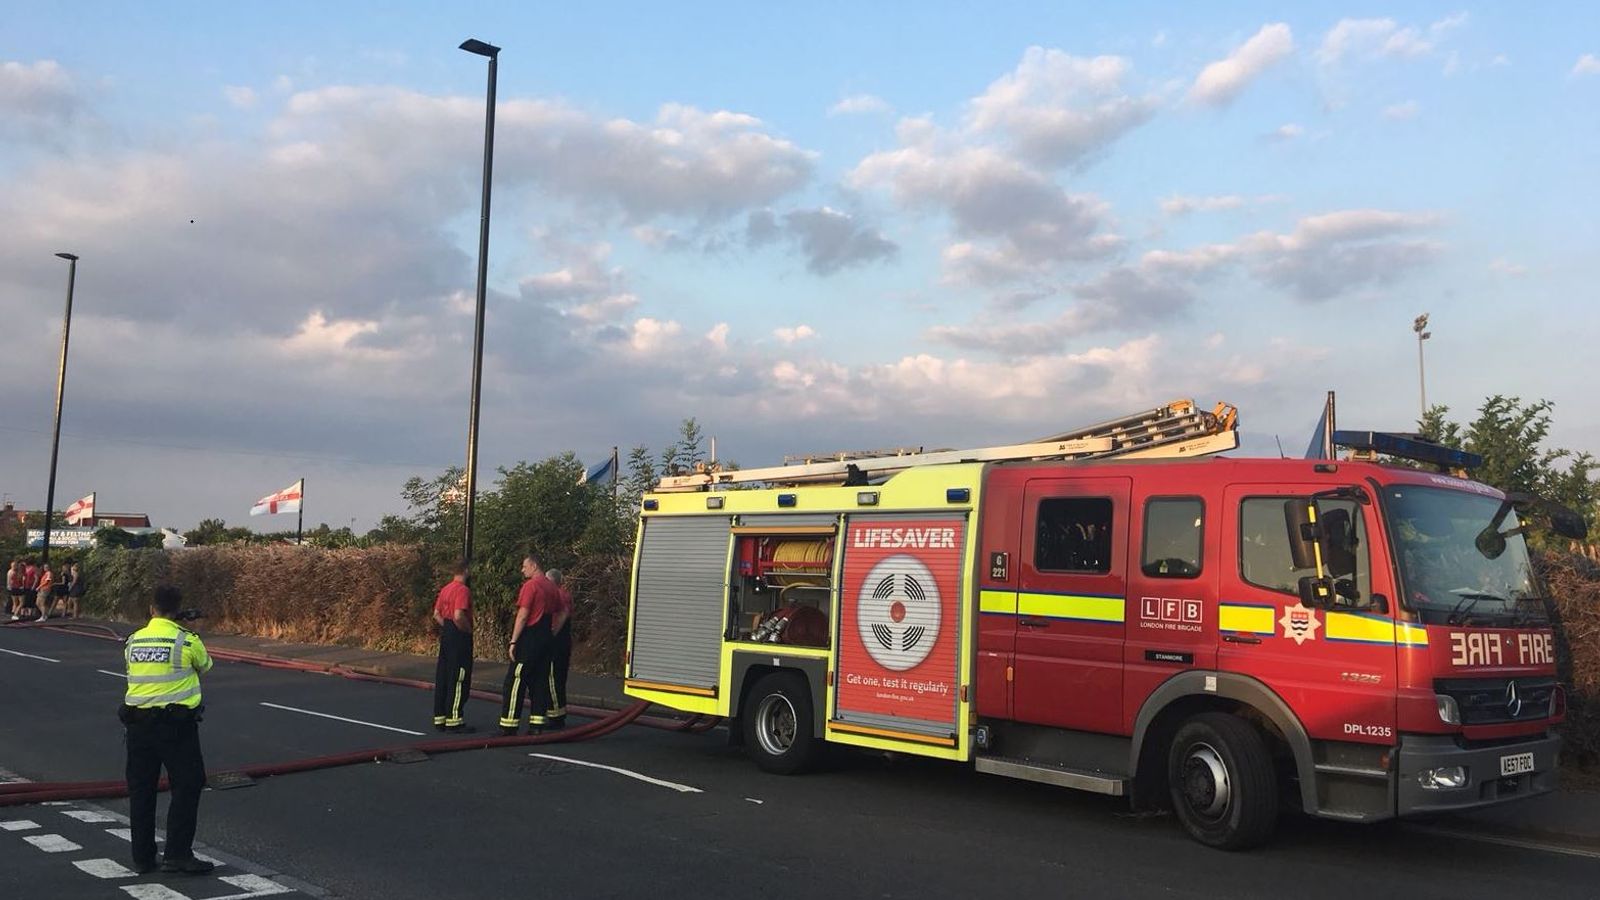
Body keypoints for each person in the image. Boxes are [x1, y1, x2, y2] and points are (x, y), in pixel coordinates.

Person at [121, 585, 214, 875]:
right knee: (187, 785)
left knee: (141, 791)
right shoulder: (187, 641)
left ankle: (142, 857)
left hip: (137, 727)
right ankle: (177, 854)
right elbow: (205, 666)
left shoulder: (133, 641)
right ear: (178, 610)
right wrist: (192, 629)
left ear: (152, 608)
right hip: (176, 728)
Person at [498, 552, 559, 736]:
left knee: (516, 680)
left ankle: (509, 725)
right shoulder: (551, 587)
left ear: (534, 566)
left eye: (524, 566)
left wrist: (514, 641)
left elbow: (523, 614)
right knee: (540, 681)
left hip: (530, 637)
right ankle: (537, 724)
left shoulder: (531, 586)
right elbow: (556, 612)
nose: (522, 569)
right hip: (546, 637)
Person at [431, 560, 476, 733]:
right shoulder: (462, 590)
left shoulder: (445, 589)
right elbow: (459, 615)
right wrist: (467, 630)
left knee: (443, 674)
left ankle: (440, 717)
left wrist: (447, 627)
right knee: (459, 676)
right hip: (459, 636)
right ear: (465, 570)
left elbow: (436, 614)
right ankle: (454, 719)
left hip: (447, 634)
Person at [544, 569, 573, 730]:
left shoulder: (559, 595)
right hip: (563, 641)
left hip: (557, 642)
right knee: (557, 678)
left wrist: (552, 634)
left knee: (553, 678)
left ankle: (556, 716)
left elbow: (563, 614)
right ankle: (555, 712)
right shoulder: (564, 594)